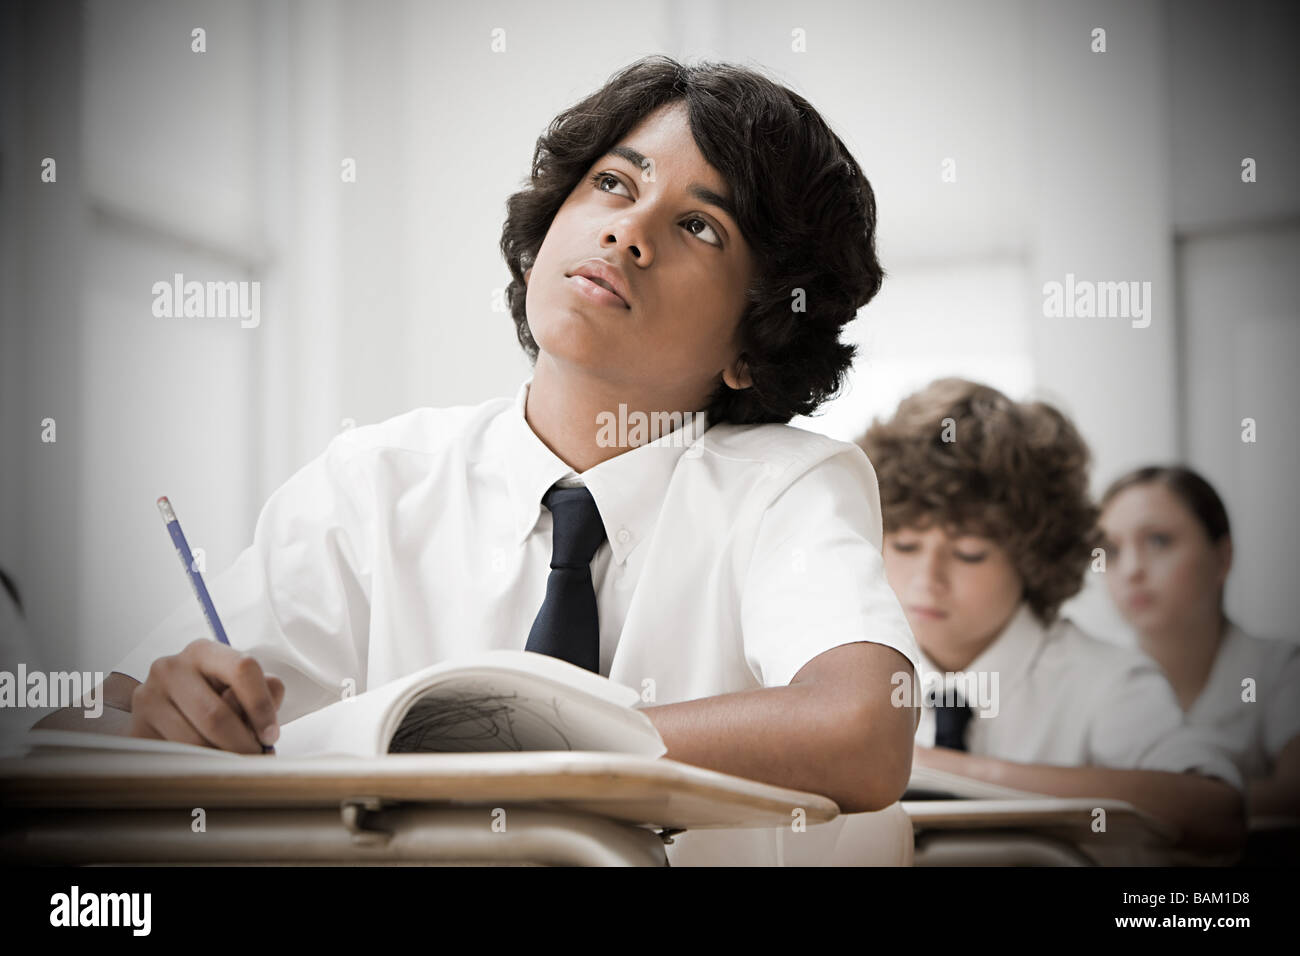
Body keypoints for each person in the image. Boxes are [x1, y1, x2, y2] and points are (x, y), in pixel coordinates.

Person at [35, 55, 920, 866]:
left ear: (753, 344)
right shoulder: (378, 479)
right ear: (550, 227)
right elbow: (78, 727)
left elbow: (860, 727)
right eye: (614, 183)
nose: (630, 232)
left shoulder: (786, 486)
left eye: (699, 226)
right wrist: (164, 713)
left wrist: (505, 747)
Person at [852, 377, 1246, 857]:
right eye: (907, 546)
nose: (925, 581)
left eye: (970, 553)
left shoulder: (1106, 683)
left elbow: (1216, 812)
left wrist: (945, 772)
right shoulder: (855, 672)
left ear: (1033, 556)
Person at [1097, 465, 1300, 826]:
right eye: (1111, 550)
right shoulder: (1092, 675)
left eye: (1159, 541)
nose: (1130, 570)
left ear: (1222, 558)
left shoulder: (1281, 669)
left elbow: (1293, 793)